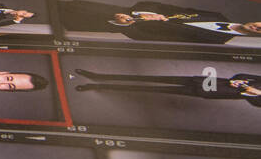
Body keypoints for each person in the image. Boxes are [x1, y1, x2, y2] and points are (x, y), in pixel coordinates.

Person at [58, 0, 261, 44]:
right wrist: (143, 12)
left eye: (260, 31)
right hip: (117, 10)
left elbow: (166, 41)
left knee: (63, 22)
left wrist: (130, 24)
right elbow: (171, 8)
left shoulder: (219, 41)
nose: (257, 26)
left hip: (123, 27)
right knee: (66, 4)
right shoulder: (217, 16)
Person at [73, 67, 261, 103]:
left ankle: (97, 86)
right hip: (202, 81)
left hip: (206, 92)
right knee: (147, 79)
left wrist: (255, 92)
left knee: (149, 89)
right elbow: (243, 75)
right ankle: (98, 75)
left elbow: (255, 102)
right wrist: (240, 80)